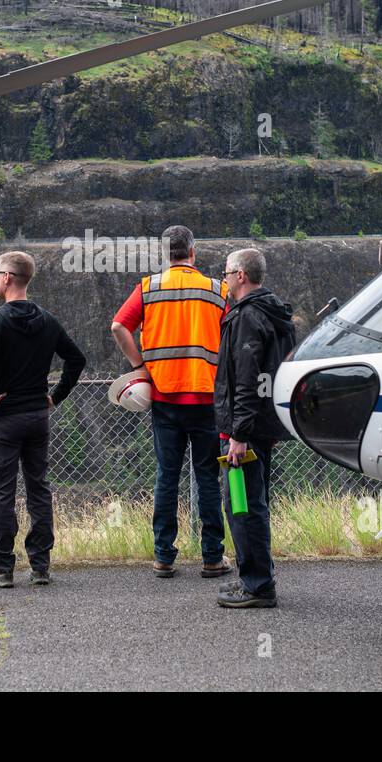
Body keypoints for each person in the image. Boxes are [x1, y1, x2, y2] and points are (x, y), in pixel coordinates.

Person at [111, 225, 230, 579]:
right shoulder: (216, 290)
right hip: (206, 398)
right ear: (193, 252)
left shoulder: (148, 288)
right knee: (207, 477)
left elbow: (119, 326)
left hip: (164, 398)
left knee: (167, 476)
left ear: (167, 254)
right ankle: (212, 557)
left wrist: (139, 367)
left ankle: (164, 556)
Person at [0, 251, 85, 588]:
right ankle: (41, 566)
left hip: (6, 419)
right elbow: (76, 359)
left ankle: (3, 568)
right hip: (38, 417)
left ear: (6, 278)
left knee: (1, 492)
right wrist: (55, 396)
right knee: (39, 488)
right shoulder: (48, 320)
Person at [214, 248, 295, 608]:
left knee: (242, 507)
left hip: (245, 431)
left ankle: (258, 586)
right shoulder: (276, 314)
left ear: (241, 275)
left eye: (227, 272)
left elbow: (246, 380)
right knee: (255, 504)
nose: (225, 278)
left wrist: (239, 435)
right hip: (267, 424)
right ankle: (256, 577)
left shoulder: (247, 317)